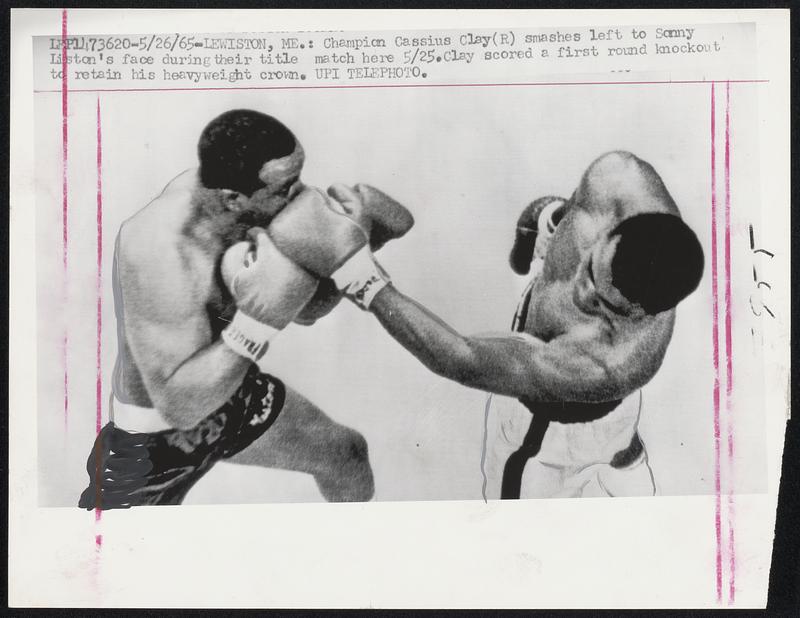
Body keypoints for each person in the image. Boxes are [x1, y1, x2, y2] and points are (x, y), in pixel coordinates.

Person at [79, 109, 412, 509]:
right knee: (120, 556)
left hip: (229, 391)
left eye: (299, 177)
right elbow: (181, 408)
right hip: (156, 434)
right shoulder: (160, 249)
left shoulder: (247, 202)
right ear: (233, 199)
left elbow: (304, 308)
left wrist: (358, 240)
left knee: (346, 454)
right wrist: (257, 323)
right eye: (286, 188)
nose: (301, 194)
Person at [329, 151, 705, 499]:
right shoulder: (617, 175)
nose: (583, 292)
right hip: (608, 411)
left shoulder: (610, 363)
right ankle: (623, 456)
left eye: (605, 306)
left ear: (643, 315)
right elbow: (573, 208)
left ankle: (612, 463)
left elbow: (463, 360)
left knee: (513, 529)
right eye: (591, 269)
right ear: (613, 228)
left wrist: (361, 277)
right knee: (617, 440)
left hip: (546, 434)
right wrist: (551, 221)